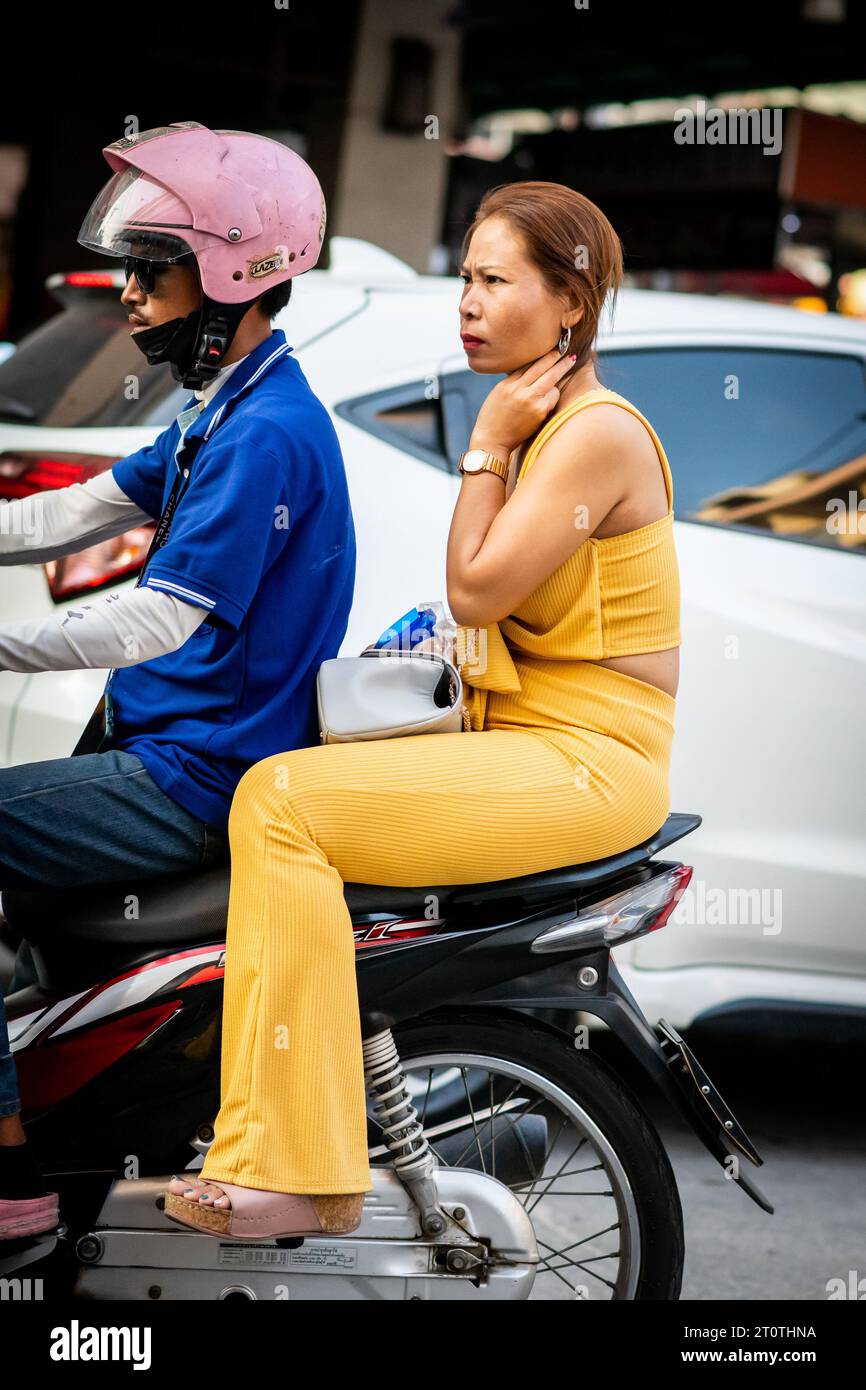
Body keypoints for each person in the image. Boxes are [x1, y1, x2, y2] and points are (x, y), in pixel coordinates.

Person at [162, 180, 682, 1242]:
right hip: (521, 745)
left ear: (568, 303)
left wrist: (485, 441)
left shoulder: (590, 432)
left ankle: (295, 1166)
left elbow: (477, 589)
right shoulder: (554, 427)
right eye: (464, 279)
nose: (468, 304)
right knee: (280, 787)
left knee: (281, 805)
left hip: (587, 766)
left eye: (495, 282)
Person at [0, 121, 356, 1240]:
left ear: (229, 276)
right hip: (159, 752)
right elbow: (84, 507)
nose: (132, 298)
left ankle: (5, 1175)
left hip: (192, 775)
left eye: (151, 273)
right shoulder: (227, 408)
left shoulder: (268, 435)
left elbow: (155, 619)